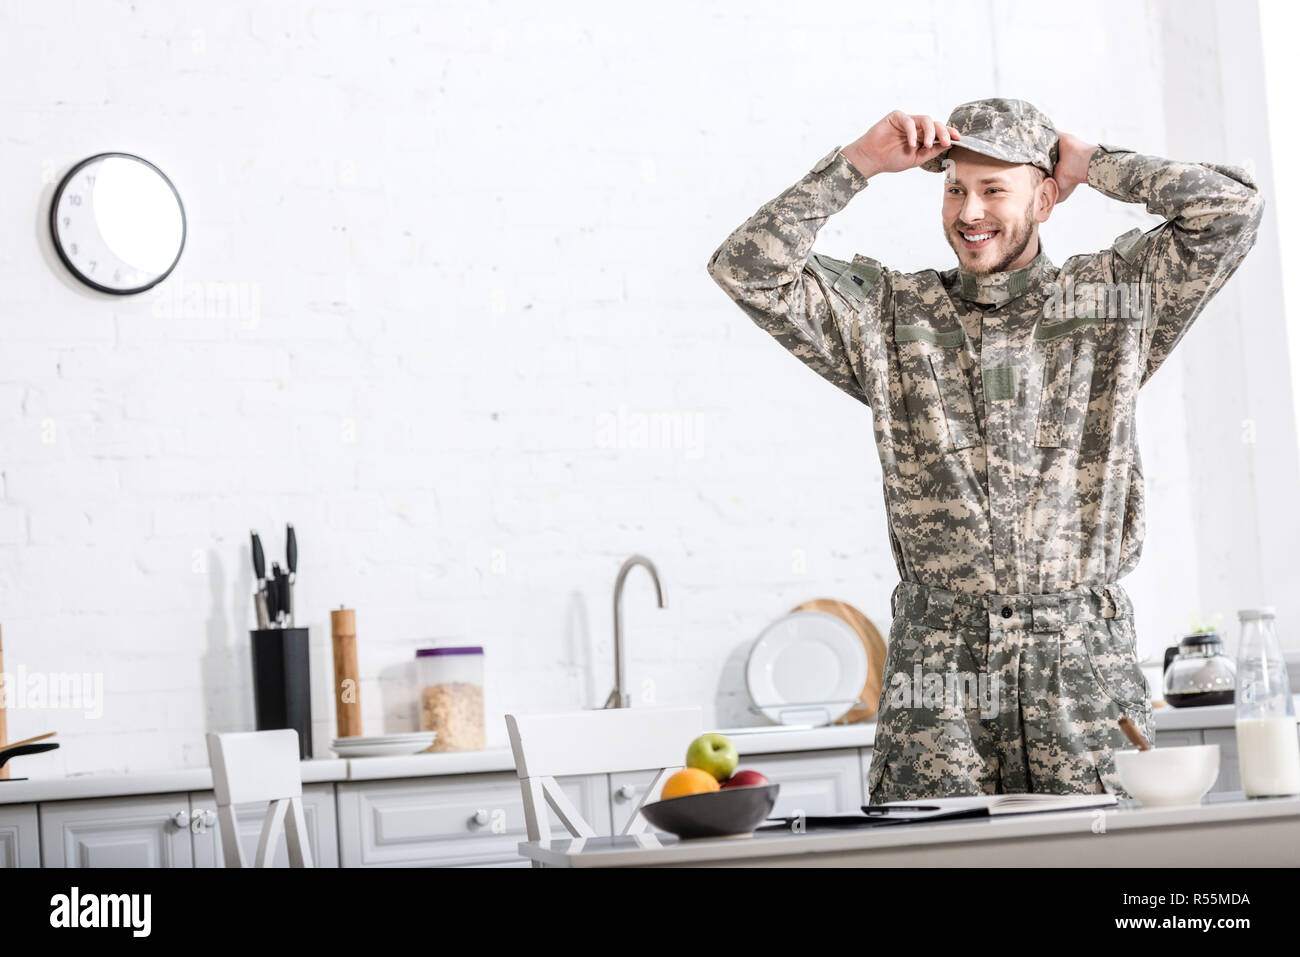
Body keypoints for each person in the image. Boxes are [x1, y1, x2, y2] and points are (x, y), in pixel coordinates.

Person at [706, 99, 1264, 801]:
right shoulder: (890, 316)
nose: (969, 211)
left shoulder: (1114, 300)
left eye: (994, 188)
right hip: (938, 680)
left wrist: (1095, 165)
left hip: (1079, 666)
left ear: (1046, 197)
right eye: (954, 187)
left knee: (1104, 859)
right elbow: (747, 268)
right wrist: (859, 165)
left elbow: (1232, 211)